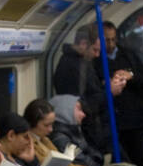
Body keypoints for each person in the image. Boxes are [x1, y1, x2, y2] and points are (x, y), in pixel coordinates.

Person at [52, 25, 128, 155]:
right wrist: (109, 92)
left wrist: (107, 86)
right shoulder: (71, 68)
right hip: (89, 133)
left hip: (98, 131)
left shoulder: (83, 62)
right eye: (95, 50)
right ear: (83, 44)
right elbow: (83, 104)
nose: (97, 55)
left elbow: (92, 93)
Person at [94, 21, 143, 166]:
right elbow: (91, 92)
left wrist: (131, 76)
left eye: (113, 39)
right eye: (106, 40)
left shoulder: (128, 55)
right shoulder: (95, 60)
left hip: (135, 120)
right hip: (112, 122)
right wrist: (106, 84)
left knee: (141, 162)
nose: (111, 44)